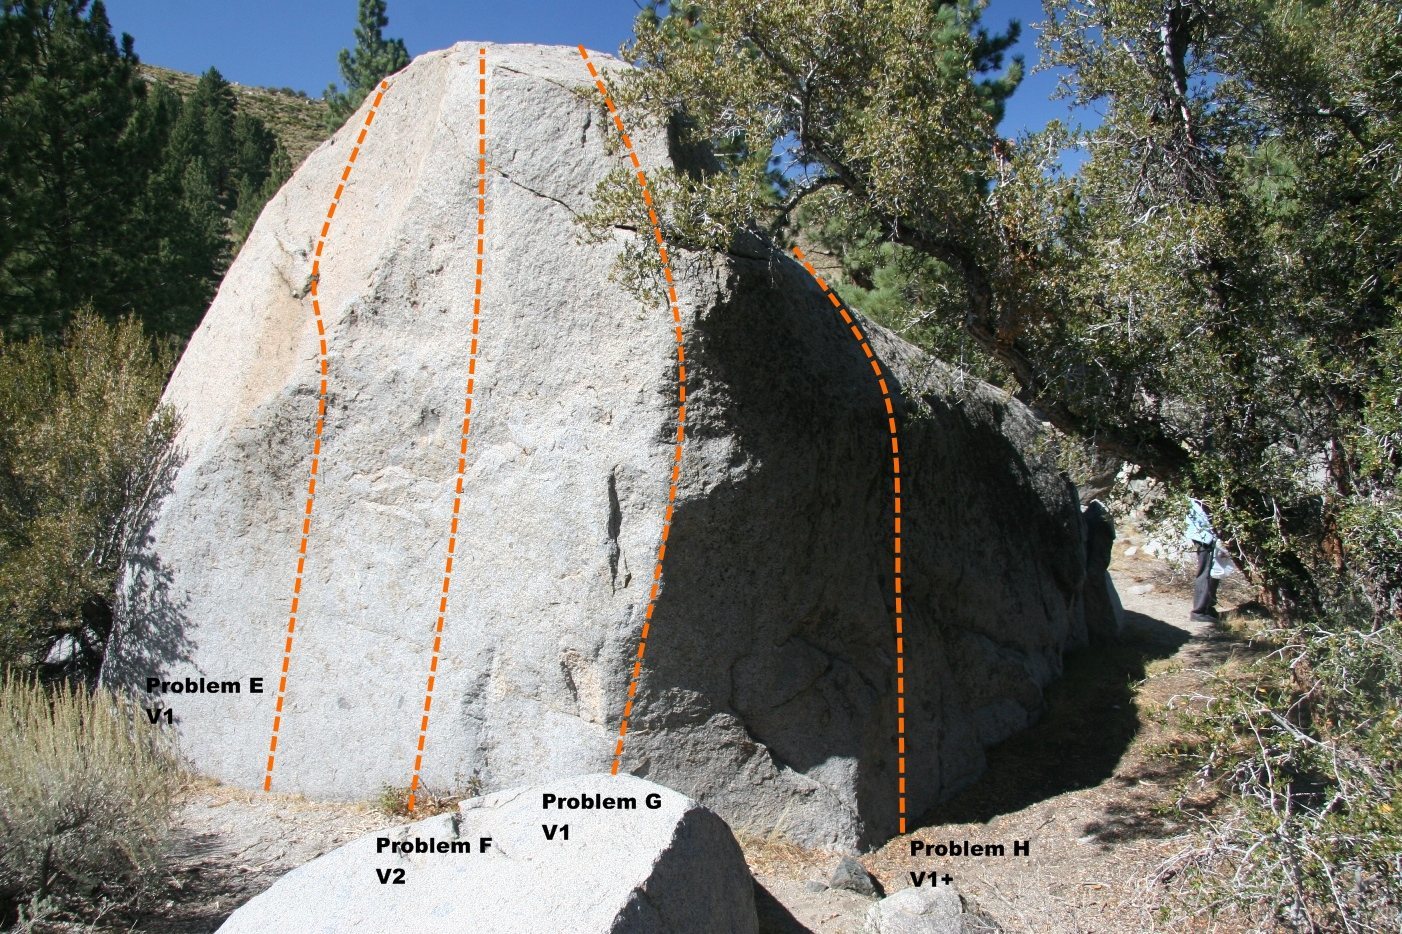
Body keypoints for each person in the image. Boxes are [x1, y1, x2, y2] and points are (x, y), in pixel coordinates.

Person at [1184, 498, 1219, 623]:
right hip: (1204, 534)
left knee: (1214, 570)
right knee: (1206, 571)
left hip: (1203, 533)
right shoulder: (1200, 492)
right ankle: (1199, 611)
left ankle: (1207, 606)